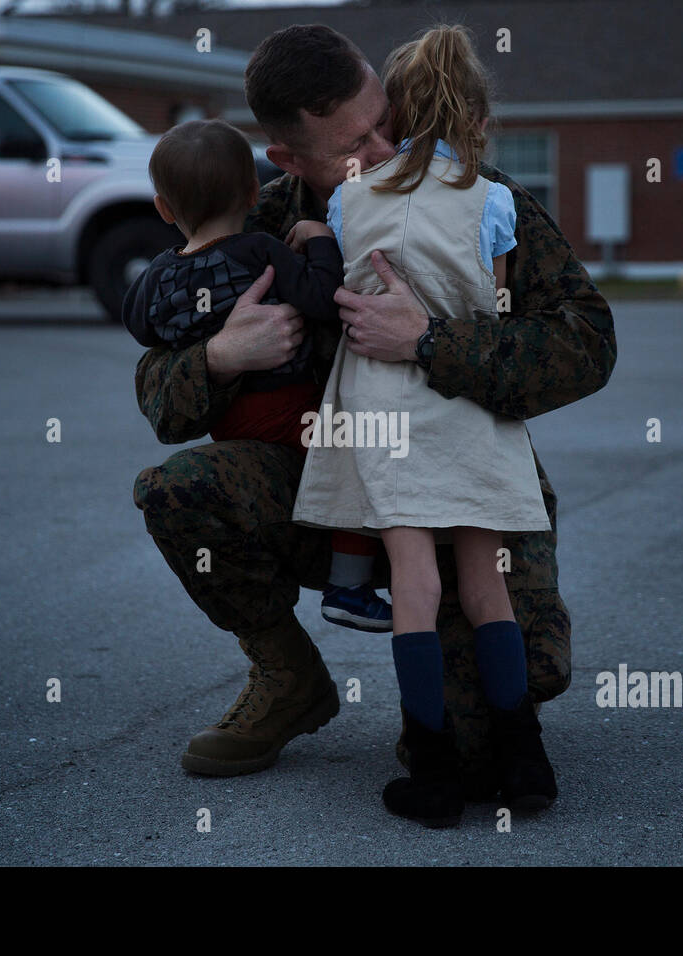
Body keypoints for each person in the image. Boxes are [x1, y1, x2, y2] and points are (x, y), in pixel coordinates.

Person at [131, 24, 616, 792]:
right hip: (325, 494)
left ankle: (465, 716)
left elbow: (589, 343)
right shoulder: (254, 221)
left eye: (388, 120)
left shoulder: (471, 196)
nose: (391, 147)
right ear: (287, 160)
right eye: (358, 143)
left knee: (515, 687)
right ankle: (288, 678)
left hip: (454, 487)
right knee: (178, 490)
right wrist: (222, 355)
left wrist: (432, 341)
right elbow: (159, 391)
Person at [287, 25, 559, 828]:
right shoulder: (496, 199)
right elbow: (495, 303)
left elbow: (329, 271)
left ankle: (433, 773)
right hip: (470, 405)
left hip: (385, 411)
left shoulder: (348, 197)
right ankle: (525, 761)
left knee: (415, 585)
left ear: (401, 114)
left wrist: (308, 234)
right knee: (487, 588)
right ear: (473, 114)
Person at [121, 118, 393, 642]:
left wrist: (200, 336)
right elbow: (320, 300)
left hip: (232, 427)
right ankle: (348, 587)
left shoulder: (156, 272)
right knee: (358, 453)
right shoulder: (262, 249)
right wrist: (318, 240)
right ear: (253, 191)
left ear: (163, 209)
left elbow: (139, 326)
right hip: (291, 412)